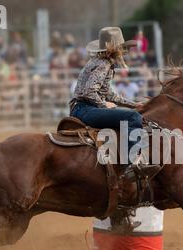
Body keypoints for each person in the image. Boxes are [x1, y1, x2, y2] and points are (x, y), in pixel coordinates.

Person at [69, 27, 160, 178]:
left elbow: (107, 93)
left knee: (132, 114)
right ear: (115, 49)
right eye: (123, 48)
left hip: (82, 107)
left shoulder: (102, 62)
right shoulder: (103, 64)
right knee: (133, 118)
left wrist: (132, 104)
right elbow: (89, 91)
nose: (125, 52)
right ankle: (131, 165)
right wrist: (104, 105)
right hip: (84, 109)